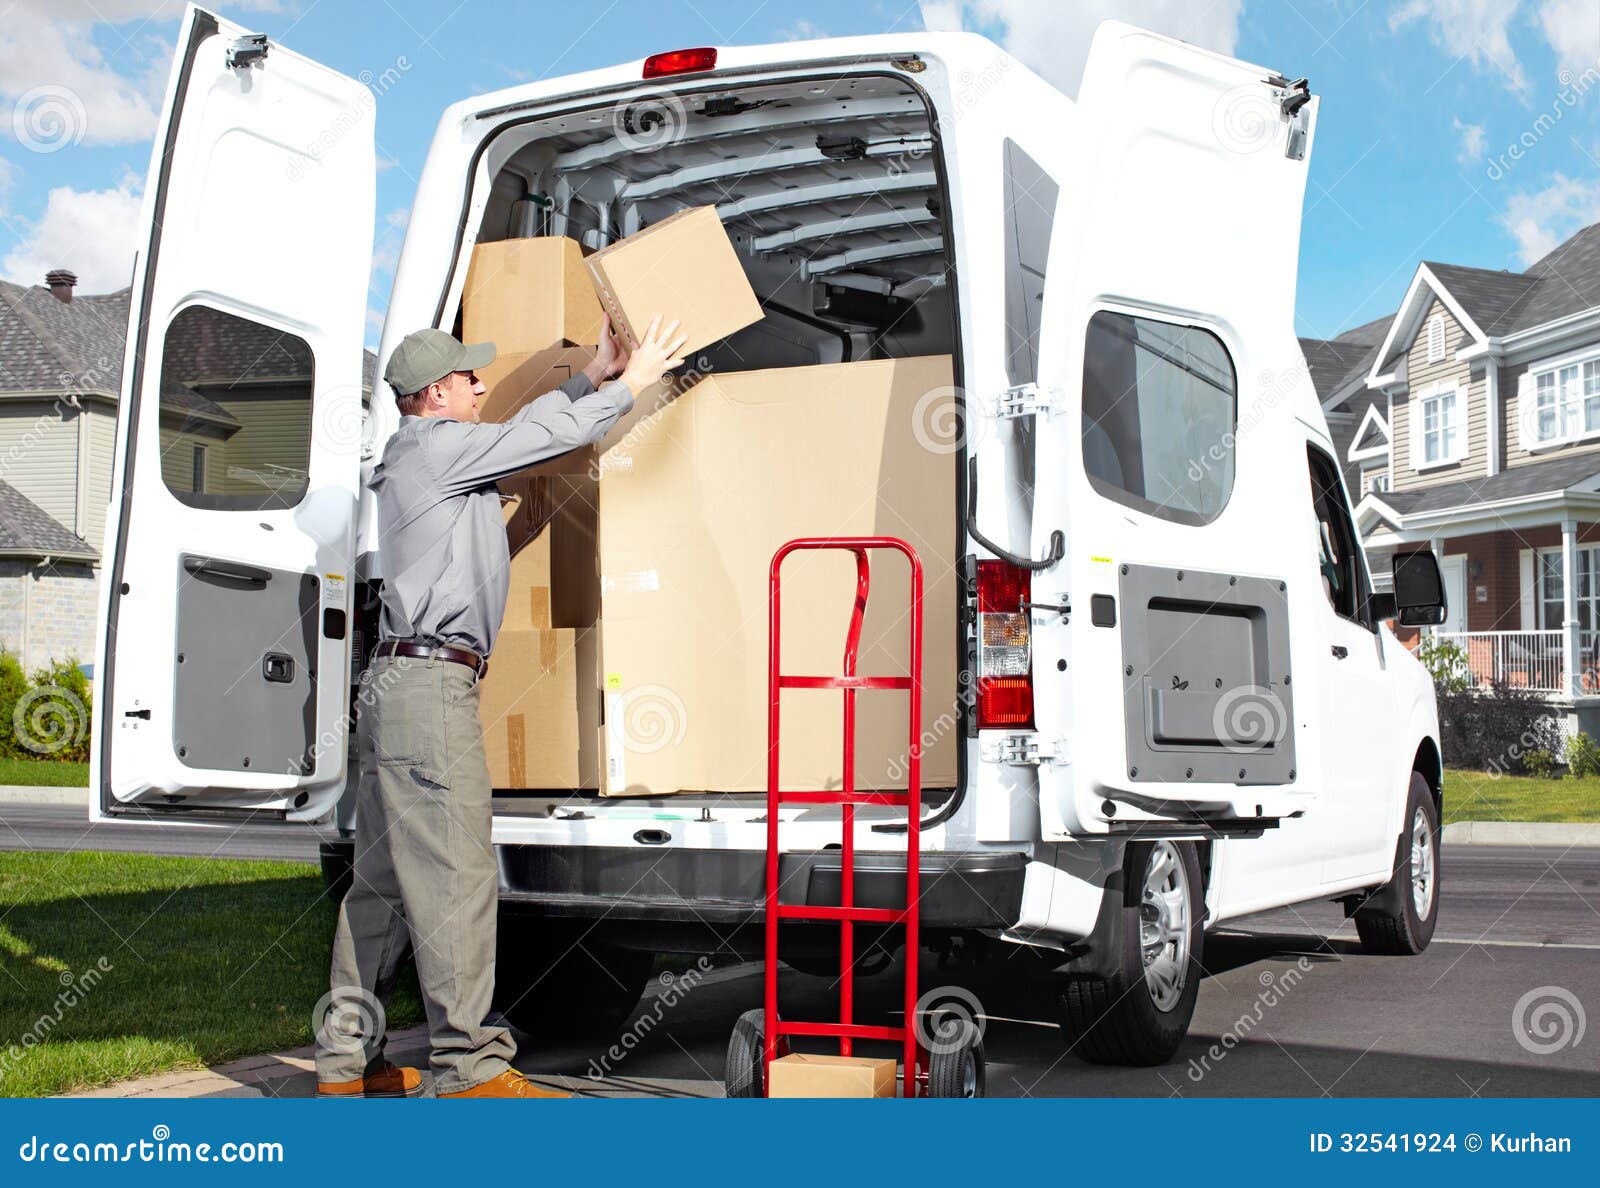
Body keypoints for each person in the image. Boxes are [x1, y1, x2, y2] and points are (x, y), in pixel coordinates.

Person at [314, 313, 687, 1099]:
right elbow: (539, 437)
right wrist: (633, 381)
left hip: (400, 688)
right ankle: (470, 1068)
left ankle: (347, 1065)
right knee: (457, 875)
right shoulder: (439, 449)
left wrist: (593, 372)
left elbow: (525, 431)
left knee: (382, 884)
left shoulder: (429, 456)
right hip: (427, 693)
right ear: (434, 392)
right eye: (468, 376)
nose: (482, 384)